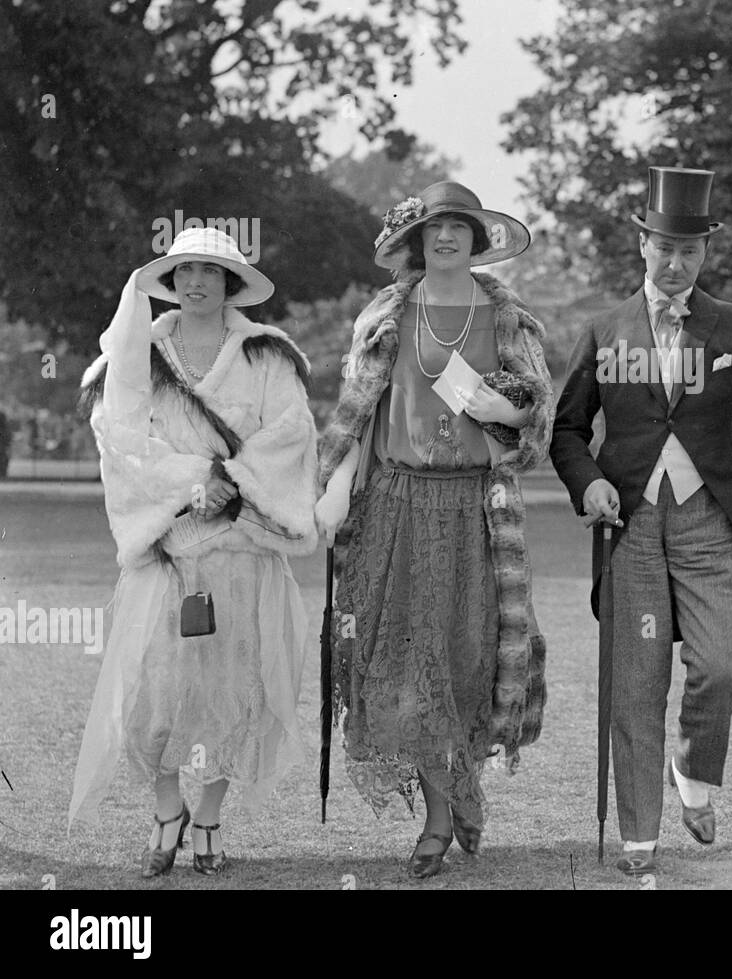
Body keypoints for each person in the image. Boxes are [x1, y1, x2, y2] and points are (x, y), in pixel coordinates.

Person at [550, 166, 732, 876]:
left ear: (705, 254)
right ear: (642, 244)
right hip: (630, 523)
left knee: (722, 663)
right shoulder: (604, 330)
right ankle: (640, 839)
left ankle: (694, 770)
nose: (676, 263)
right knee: (637, 683)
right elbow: (567, 430)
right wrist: (589, 487)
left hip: (708, 522)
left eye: (690, 251)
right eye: (664, 247)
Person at [314, 180, 551, 877]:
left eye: (459, 226)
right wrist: (332, 488)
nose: (445, 237)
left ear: (478, 239)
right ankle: (439, 816)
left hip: (478, 510)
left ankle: (463, 782)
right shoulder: (387, 314)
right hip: (397, 504)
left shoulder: (511, 320)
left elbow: (536, 419)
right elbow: (355, 412)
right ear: (417, 239)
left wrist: (509, 412)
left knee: (471, 659)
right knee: (407, 665)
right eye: (434, 227)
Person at [70, 228, 318, 877]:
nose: (196, 282)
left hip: (242, 552)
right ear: (170, 280)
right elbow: (119, 439)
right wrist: (189, 481)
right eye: (184, 271)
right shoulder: (137, 352)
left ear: (231, 281)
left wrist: (229, 483)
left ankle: (207, 817)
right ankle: (165, 811)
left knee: (235, 696)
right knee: (153, 702)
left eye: (210, 270)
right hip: (170, 551)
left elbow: (289, 436)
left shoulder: (267, 356)